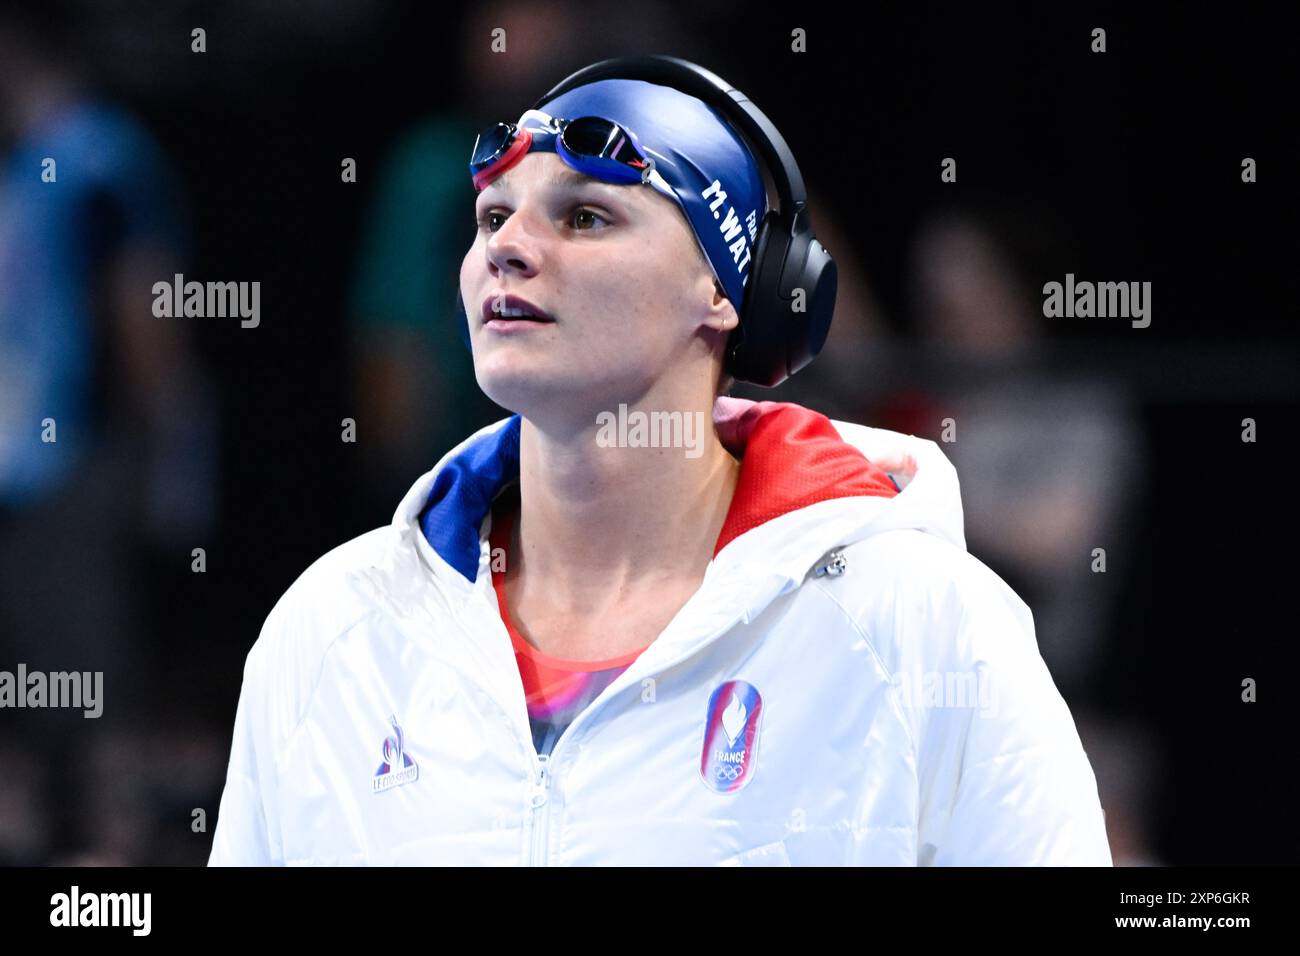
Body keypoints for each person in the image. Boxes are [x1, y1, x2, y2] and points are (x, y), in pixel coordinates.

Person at [209, 58, 1111, 866]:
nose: (508, 248)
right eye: (492, 216)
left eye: (587, 216)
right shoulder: (333, 632)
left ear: (725, 291)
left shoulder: (920, 621)